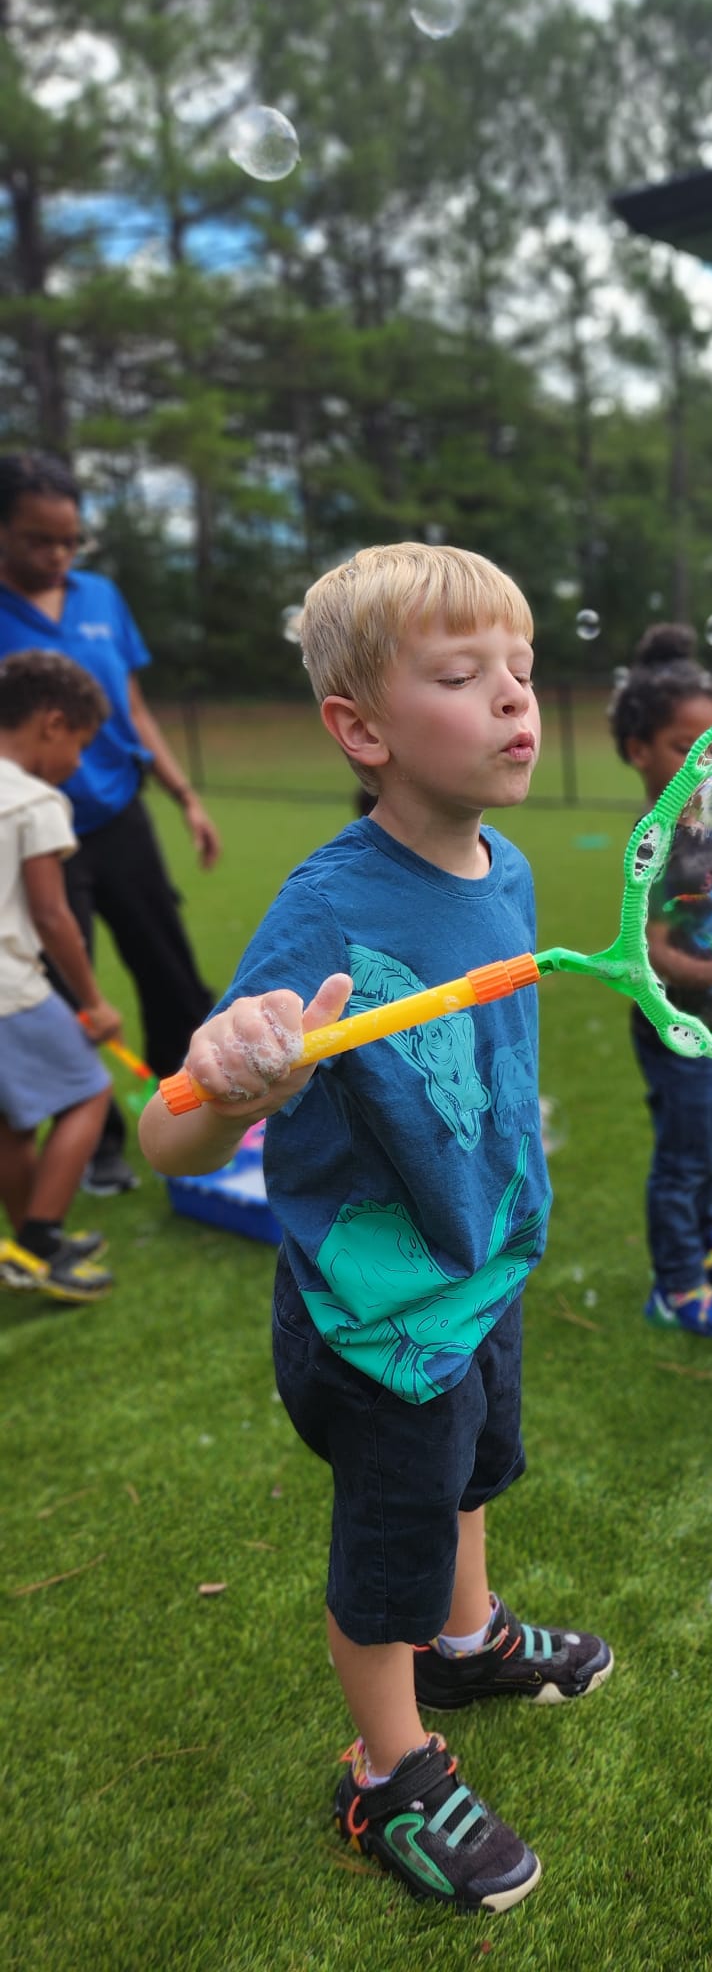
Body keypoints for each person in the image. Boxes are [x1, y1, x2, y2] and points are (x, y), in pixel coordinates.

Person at [139, 545, 612, 1916]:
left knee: (473, 1481)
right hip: (380, 1321)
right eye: (465, 678)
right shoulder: (327, 910)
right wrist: (235, 1076)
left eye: (522, 674)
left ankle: (468, 1640)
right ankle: (388, 1764)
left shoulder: (507, 869)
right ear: (362, 729)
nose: (517, 703)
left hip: (480, 1271)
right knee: (386, 1556)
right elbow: (169, 1135)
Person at [0, 451, 219, 1195]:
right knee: (65, 991)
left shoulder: (100, 597)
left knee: (170, 972)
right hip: (32, 833)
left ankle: (196, 1112)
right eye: (38, 539)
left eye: (70, 541)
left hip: (118, 815)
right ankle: (97, 1146)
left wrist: (183, 793)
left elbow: (133, 708)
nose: (58, 555)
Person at [609, 625, 712, 1342]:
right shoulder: (654, 839)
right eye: (685, 747)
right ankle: (677, 1286)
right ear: (638, 751)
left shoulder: (711, 827)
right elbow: (647, 950)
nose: (705, 763)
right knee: (682, 1158)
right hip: (679, 1027)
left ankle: (708, 1248)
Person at [0, 651, 121, 1301]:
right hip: (8, 990)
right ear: (51, 724)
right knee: (88, 1092)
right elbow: (52, 914)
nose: (78, 762)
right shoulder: (33, 799)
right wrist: (95, 1002)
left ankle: (26, 1242)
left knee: (13, 1124)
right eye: (80, 744)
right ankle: (40, 1243)